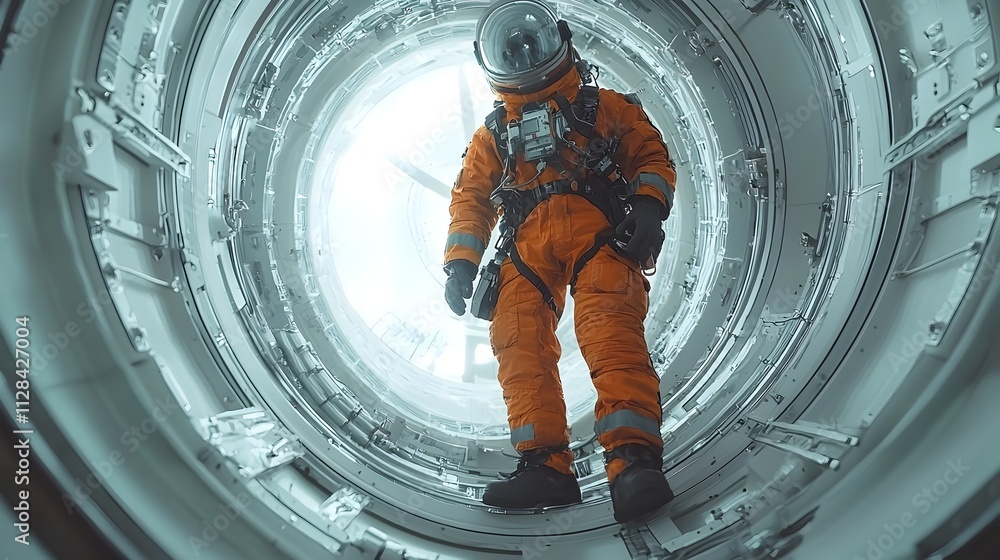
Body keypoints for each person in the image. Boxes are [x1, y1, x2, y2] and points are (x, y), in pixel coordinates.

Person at [442, 0, 676, 523]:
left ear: (558, 40)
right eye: (513, 49)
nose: (525, 55)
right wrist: (460, 260)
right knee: (518, 344)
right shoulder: (493, 135)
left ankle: (634, 461)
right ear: (493, 63)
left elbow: (649, 156)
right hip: (525, 245)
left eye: (531, 43)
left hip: (598, 229)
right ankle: (545, 466)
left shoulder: (601, 106)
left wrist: (647, 206)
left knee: (610, 332)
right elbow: (472, 199)